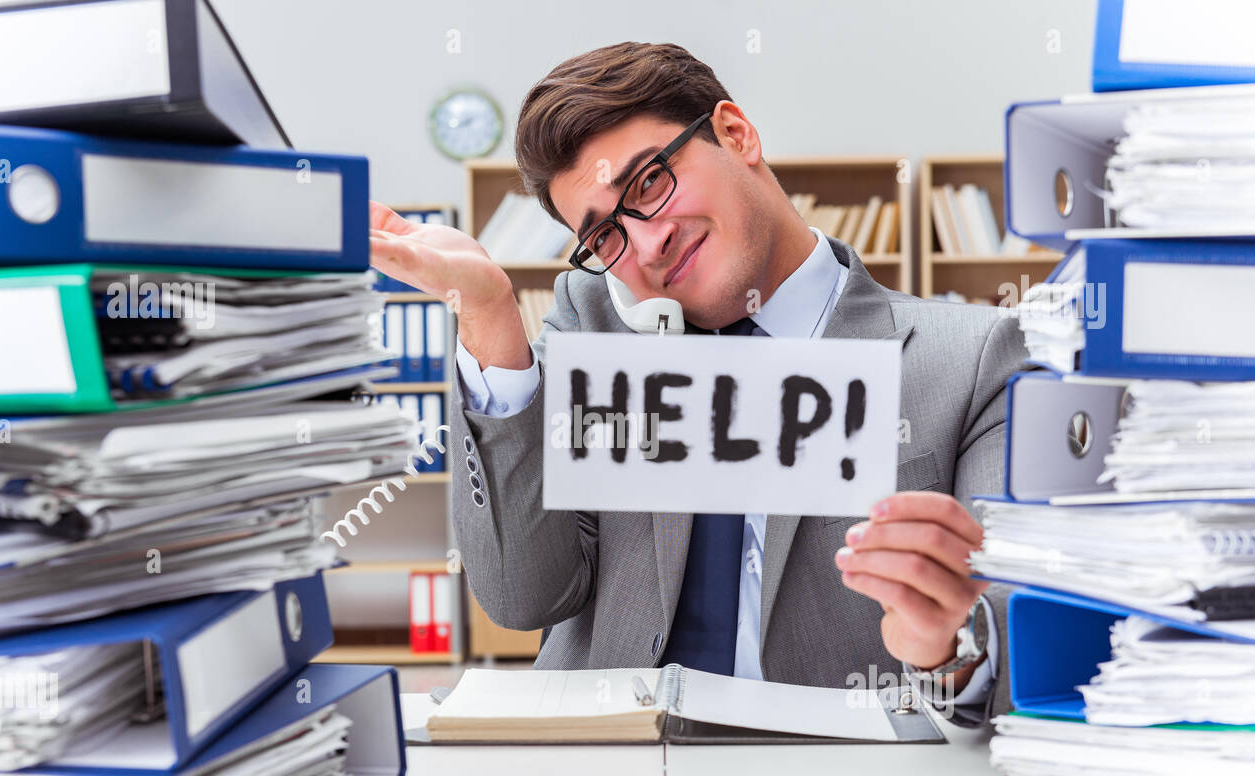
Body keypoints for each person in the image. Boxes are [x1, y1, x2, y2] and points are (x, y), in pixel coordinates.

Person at [369, 42, 1031, 727]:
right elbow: (523, 598)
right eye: (605, 236)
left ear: (735, 134)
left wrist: (947, 647)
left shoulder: (971, 358)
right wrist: (488, 318)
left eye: (650, 183)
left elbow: (1021, 648)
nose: (647, 243)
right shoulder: (596, 328)